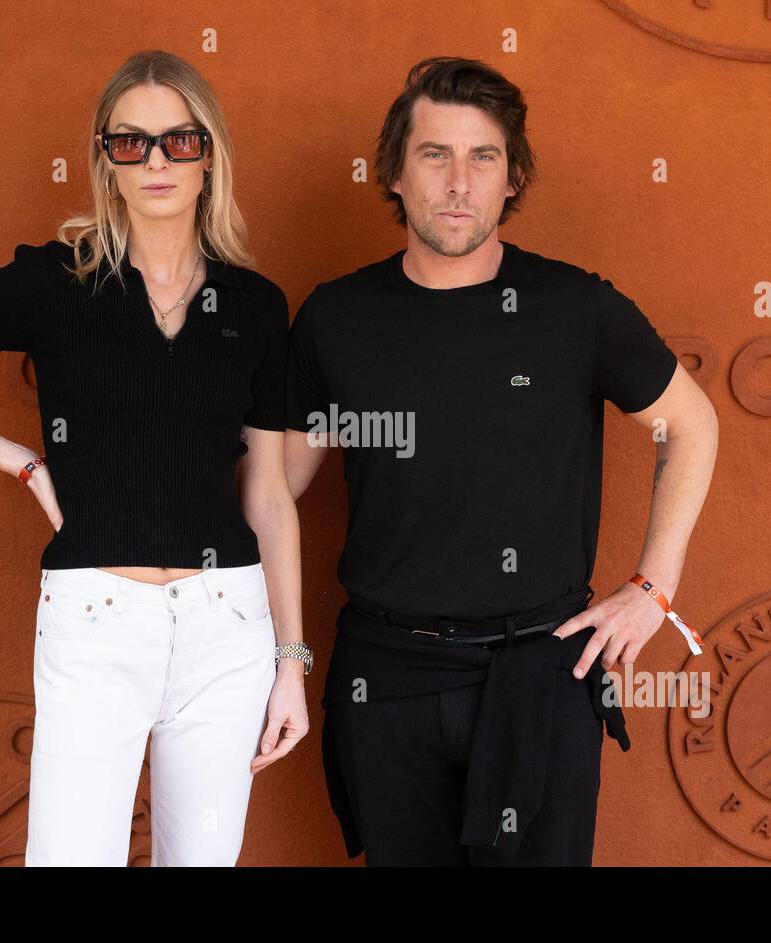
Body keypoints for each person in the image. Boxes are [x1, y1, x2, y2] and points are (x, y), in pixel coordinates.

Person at [0, 50, 311, 866]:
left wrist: (291, 661)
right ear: (105, 160)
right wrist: (24, 463)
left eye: (178, 141)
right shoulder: (49, 281)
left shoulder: (254, 305)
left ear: (209, 153)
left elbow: (271, 497)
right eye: (130, 142)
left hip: (229, 627)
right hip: (96, 621)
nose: (155, 162)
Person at [284, 56, 718, 866]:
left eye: (482, 157)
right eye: (434, 154)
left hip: (541, 672)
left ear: (513, 177)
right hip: (385, 675)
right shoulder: (336, 317)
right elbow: (275, 486)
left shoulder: (575, 308)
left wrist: (652, 592)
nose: (458, 182)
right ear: (395, 171)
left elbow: (690, 426)